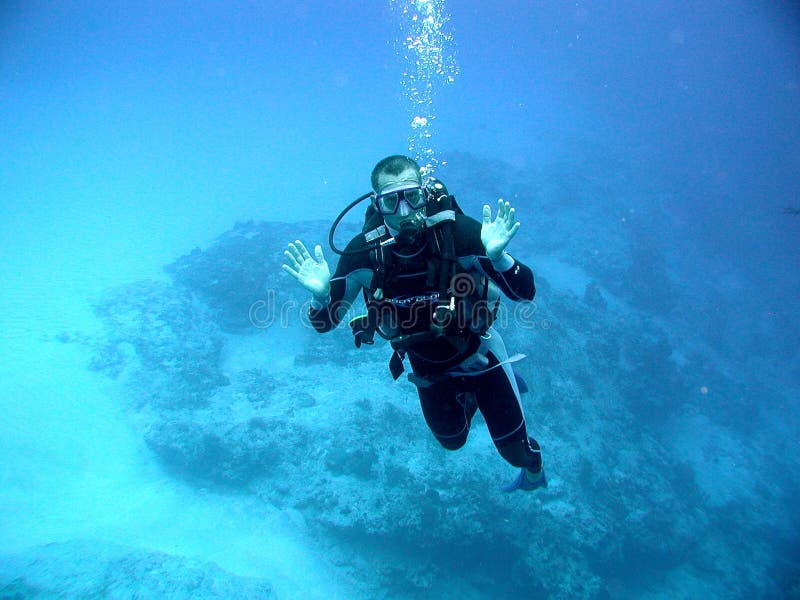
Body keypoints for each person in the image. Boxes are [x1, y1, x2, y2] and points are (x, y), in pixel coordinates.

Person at [282, 155, 546, 492]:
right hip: (428, 370)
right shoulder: (363, 254)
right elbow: (325, 323)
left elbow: (525, 293)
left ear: (424, 193)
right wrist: (321, 297)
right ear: (377, 204)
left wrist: (498, 257)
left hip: (481, 354)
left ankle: (534, 472)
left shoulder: (460, 234)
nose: (405, 211)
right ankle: (471, 397)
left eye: (413, 197)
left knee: (516, 453)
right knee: (452, 442)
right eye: (391, 201)